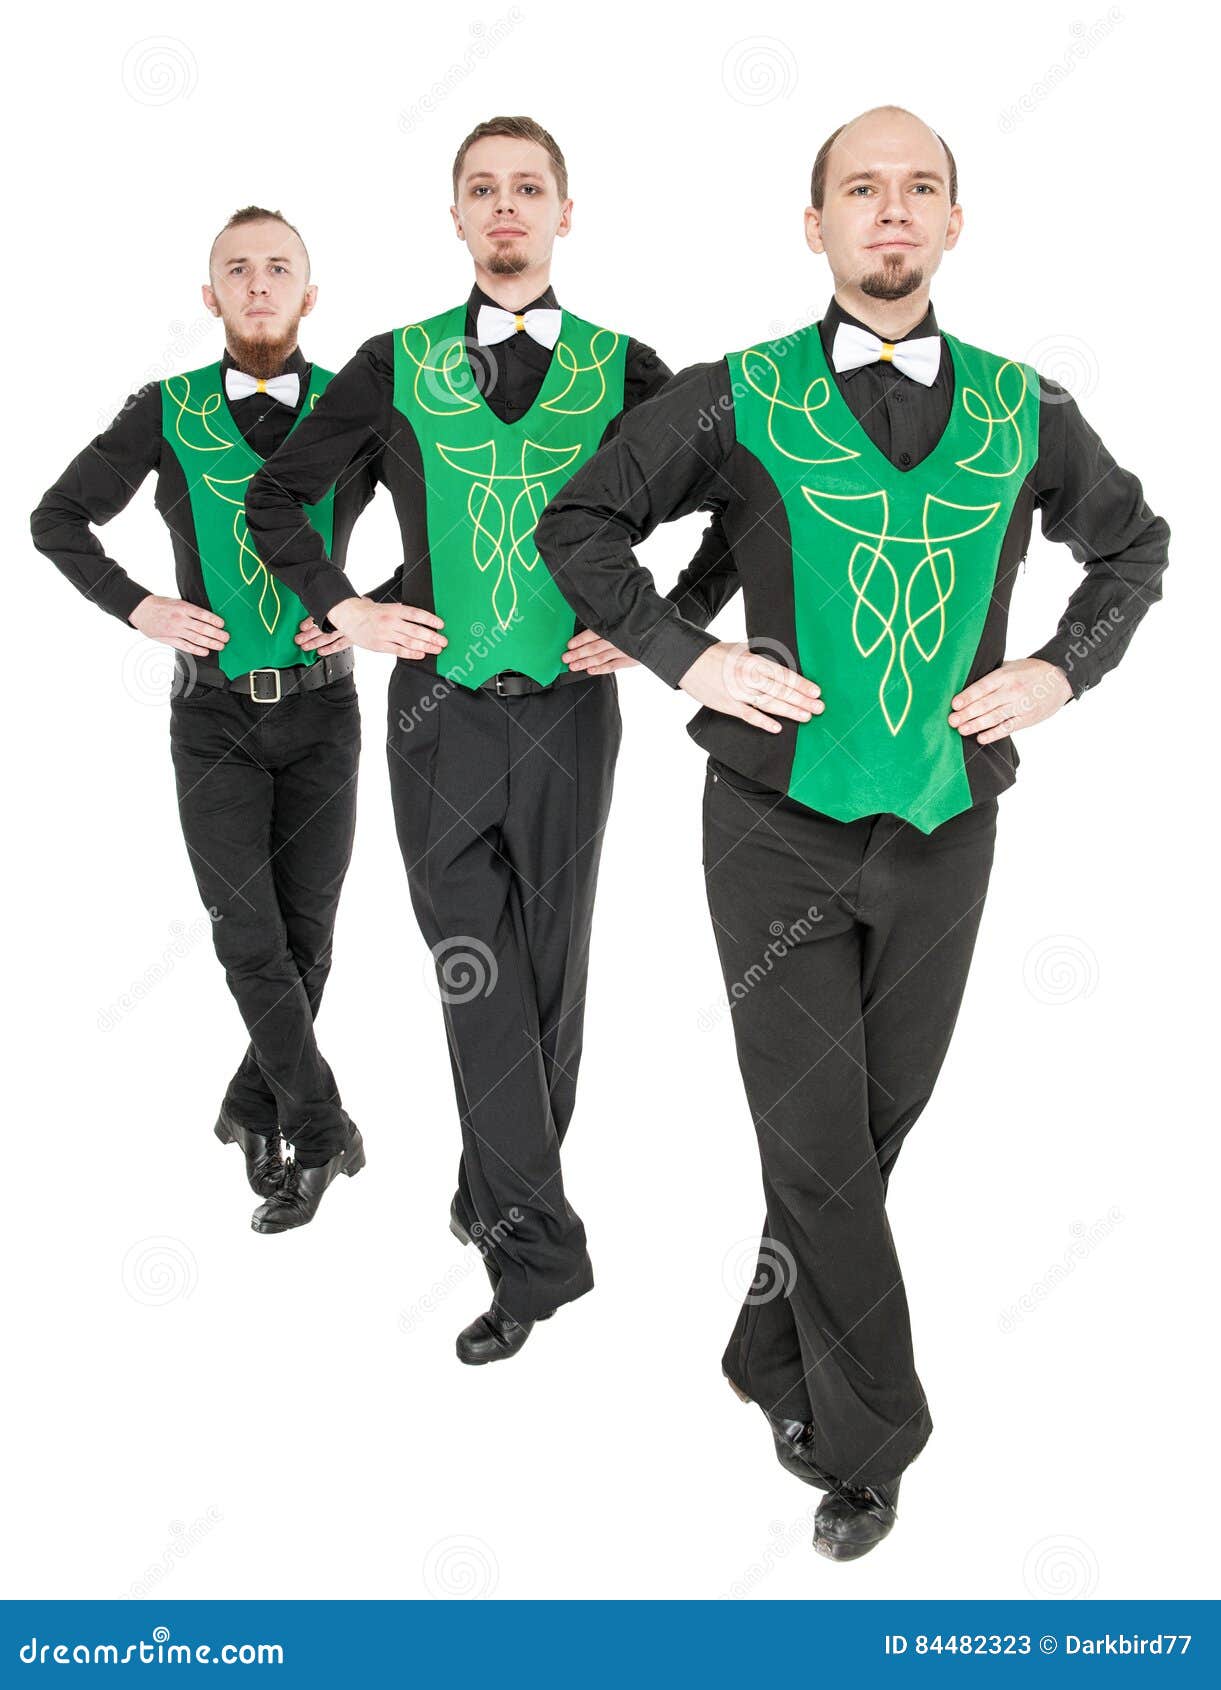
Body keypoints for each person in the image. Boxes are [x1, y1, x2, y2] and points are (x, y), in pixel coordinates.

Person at [534, 106, 1169, 1559]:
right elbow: (578, 523)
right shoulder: (735, 394)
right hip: (773, 822)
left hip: (948, 825)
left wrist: (1062, 669)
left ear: (953, 224)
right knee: (818, 1138)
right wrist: (687, 656)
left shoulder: (1027, 406)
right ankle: (873, 1445)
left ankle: (767, 1344)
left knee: (867, 1126)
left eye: (919, 187)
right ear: (813, 226)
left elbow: (1134, 549)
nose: (892, 208)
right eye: (861, 188)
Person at [246, 117, 731, 1363]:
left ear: (565, 213)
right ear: (455, 217)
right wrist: (346, 607)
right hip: (437, 716)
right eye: (482, 188)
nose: (505, 205)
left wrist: (664, 623)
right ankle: (536, 1259)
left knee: (551, 983)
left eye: (527, 187)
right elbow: (275, 496)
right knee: (478, 973)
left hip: (573, 714)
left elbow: (747, 491)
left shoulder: (628, 371)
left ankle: (489, 1193)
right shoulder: (392, 363)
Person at [31, 207, 374, 1234]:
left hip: (326, 711)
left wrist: (370, 600)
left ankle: (247, 1106)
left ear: (309, 293)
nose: (258, 284)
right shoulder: (166, 408)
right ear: (210, 294)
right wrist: (136, 604)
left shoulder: (356, 408)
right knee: (248, 937)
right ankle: (320, 1129)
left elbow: (448, 517)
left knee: (308, 941)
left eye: (279, 268)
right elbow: (57, 518)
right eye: (238, 269)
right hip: (212, 717)